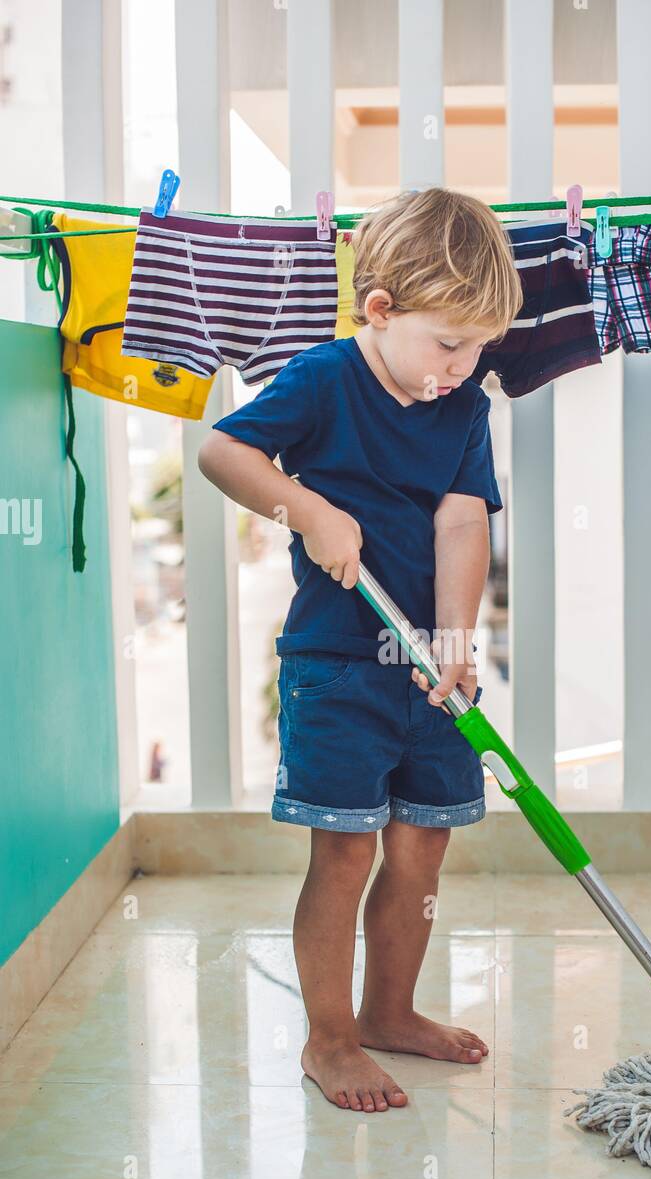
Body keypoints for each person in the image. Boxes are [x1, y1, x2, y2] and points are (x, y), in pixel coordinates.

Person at [198, 188, 521, 1114]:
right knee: (341, 855)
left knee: (421, 849)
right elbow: (224, 452)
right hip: (336, 665)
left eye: (479, 349)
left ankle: (389, 1012)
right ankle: (329, 1039)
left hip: (430, 676)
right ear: (379, 311)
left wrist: (457, 643)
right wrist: (307, 510)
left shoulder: (463, 410)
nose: (463, 367)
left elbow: (462, 522)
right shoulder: (324, 378)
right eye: (448, 343)